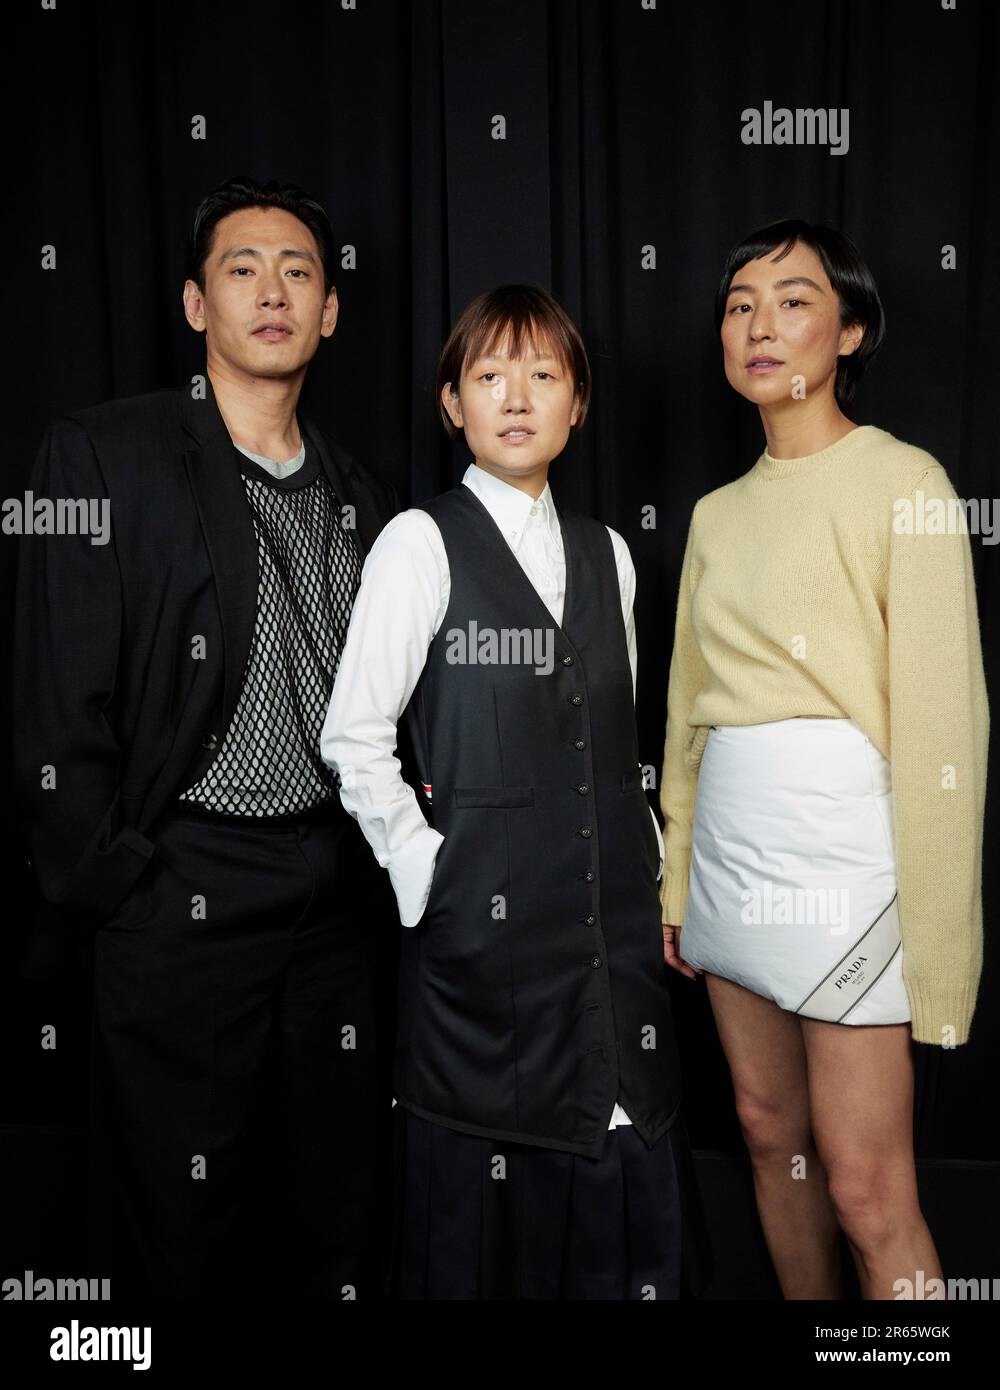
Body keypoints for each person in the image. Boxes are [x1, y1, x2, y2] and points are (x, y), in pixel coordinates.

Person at [12, 175, 400, 1298]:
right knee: (176, 1217)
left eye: (299, 273)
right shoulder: (106, 456)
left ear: (330, 310)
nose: (272, 292)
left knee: (332, 1201)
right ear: (195, 303)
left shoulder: (361, 496)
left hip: (330, 900)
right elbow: (56, 698)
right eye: (242, 268)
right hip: (180, 886)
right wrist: (119, 878)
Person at [322, 283, 712, 1300]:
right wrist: (428, 875)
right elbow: (355, 737)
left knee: (622, 1168)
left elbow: (621, 744)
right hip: (480, 953)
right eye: (489, 375)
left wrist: (655, 875)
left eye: (543, 375)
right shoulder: (420, 542)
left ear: (577, 403)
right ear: (451, 401)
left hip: (613, 940)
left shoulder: (609, 554)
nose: (516, 397)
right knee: (495, 1204)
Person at [659, 217, 989, 1300]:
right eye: (739, 303)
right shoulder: (713, 515)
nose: (759, 325)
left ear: (847, 330)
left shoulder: (908, 482)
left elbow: (947, 732)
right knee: (767, 1136)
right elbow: (687, 714)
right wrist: (675, 878)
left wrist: (941, 950)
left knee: (864, 1185)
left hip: (850, 861)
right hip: (731, 857)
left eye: (792, 300)